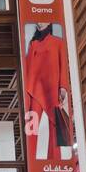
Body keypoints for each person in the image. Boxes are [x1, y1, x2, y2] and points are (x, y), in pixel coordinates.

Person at [23, 23, 71, 160]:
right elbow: (28, 68)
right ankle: (31, 162)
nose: (40, 22)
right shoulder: (33, 44)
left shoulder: (58, 43)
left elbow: (63, 64)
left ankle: (55, 160)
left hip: (52, 88)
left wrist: (63, 87)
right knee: (31, 128)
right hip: (35, 88)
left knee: (55, 127)